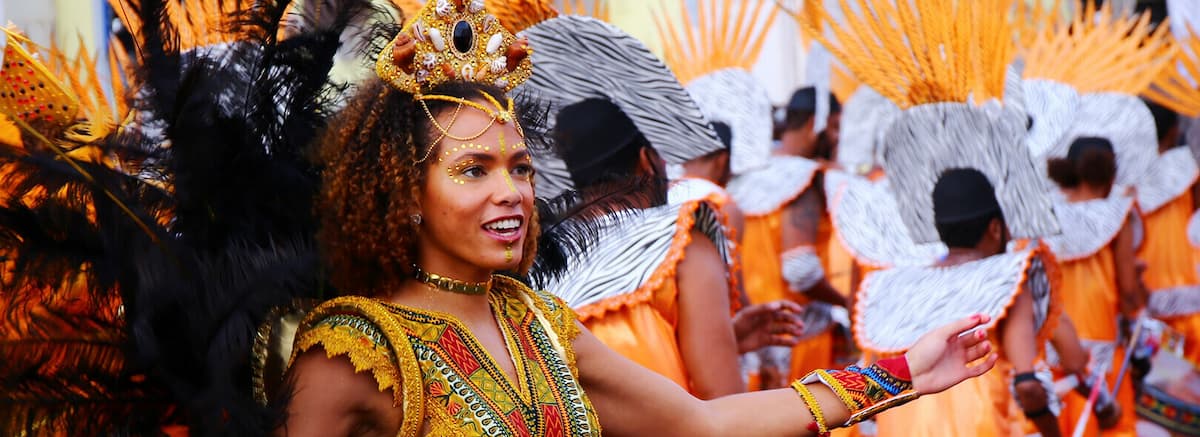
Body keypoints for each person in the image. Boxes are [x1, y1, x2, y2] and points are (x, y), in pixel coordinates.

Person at [279, 4, 999, 436]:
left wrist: (901, 372)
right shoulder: (353, 347)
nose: (512, 192)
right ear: (406, 192)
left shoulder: (537, 323)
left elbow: (706, 424)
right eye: (474, 169)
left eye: (521, 168)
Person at [520, 15, 802, 399]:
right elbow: (726, 406)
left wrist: (729, 337)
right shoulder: (680, 238)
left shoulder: (534, 264)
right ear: (646, 160)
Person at [1044, 137, 1146, 437]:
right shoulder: (1117, 216)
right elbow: (1128, 290)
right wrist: (1136, 327)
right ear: (1109, 174)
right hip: (1100, 349)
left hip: (1052, 349)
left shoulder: (1045, 214)